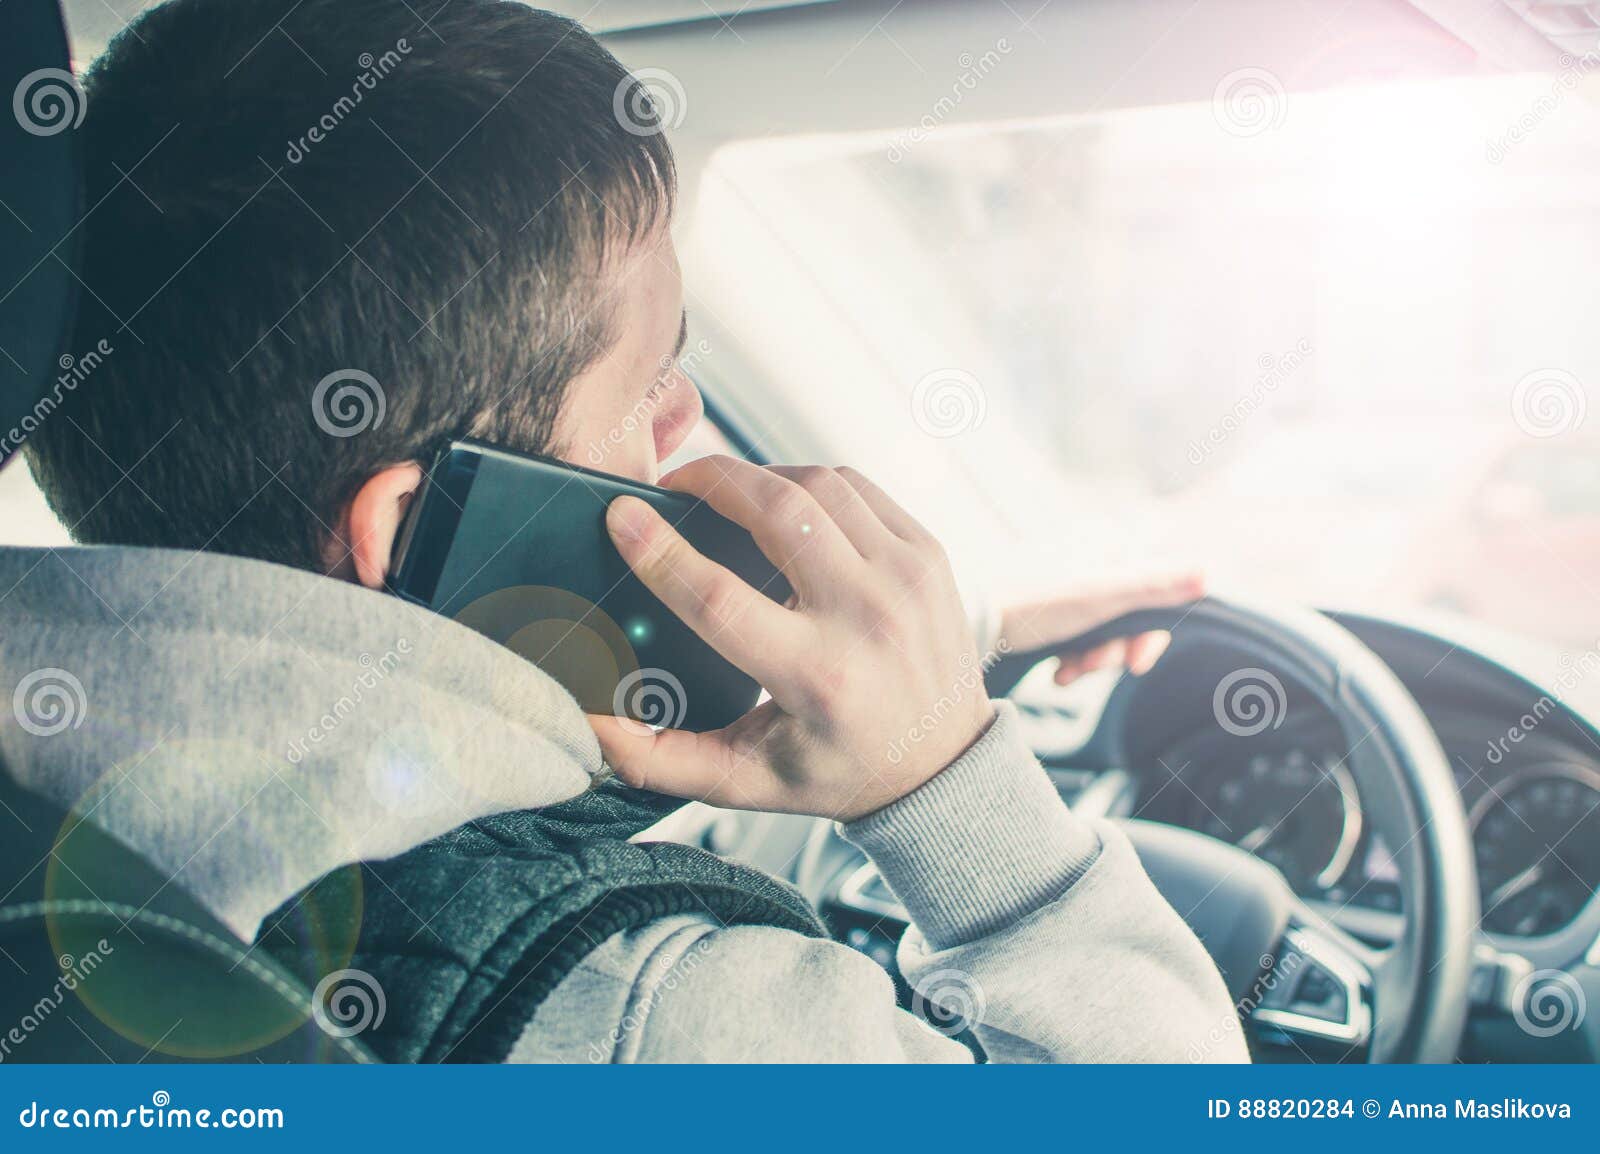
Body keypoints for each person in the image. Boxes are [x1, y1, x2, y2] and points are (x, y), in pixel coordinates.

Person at [15, 0, 1245, 1062]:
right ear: (406, 524)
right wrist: (956, 795)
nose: (688, 417)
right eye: (646, 387)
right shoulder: (658, 1012)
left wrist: (961, 644)